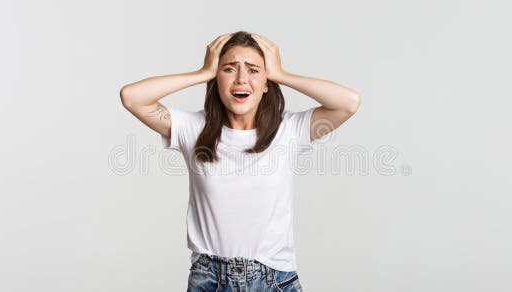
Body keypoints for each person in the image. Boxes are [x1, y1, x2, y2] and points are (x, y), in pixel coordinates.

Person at [119, 31, 360, 292]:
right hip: (210, 279)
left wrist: (281, 74)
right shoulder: (193, 129)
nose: (241, 79)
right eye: (229, 69)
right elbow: (132, 97)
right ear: (216, 80)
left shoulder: (288, 130)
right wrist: (202, 73)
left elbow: (348, 103)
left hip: (274, 280)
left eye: (254, 70)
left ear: (267, 82)